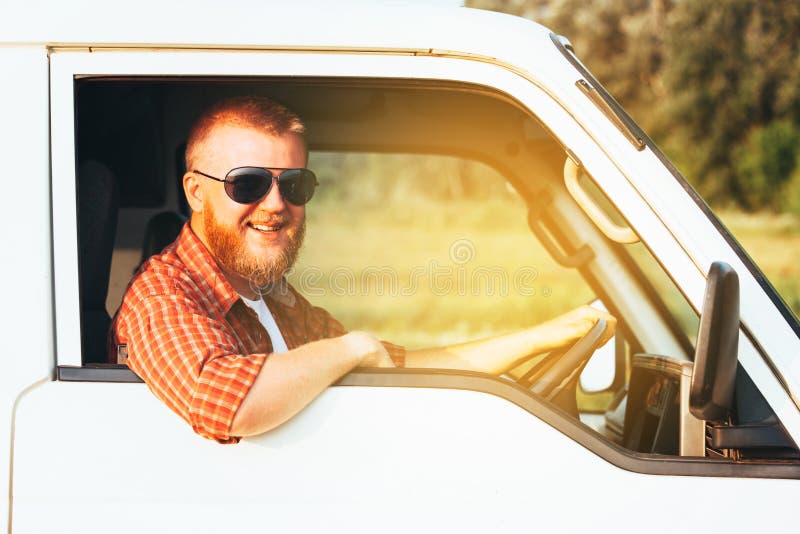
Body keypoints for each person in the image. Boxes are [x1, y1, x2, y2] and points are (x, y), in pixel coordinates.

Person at [111, 96, 615, 444]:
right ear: (195, 191)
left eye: (295, 186)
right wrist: (349, 347)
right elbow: (227, 403)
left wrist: (542, 338)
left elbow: (394, 366)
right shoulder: (162, 297)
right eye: (247, 184)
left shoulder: (271, 297)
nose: (274, 205)